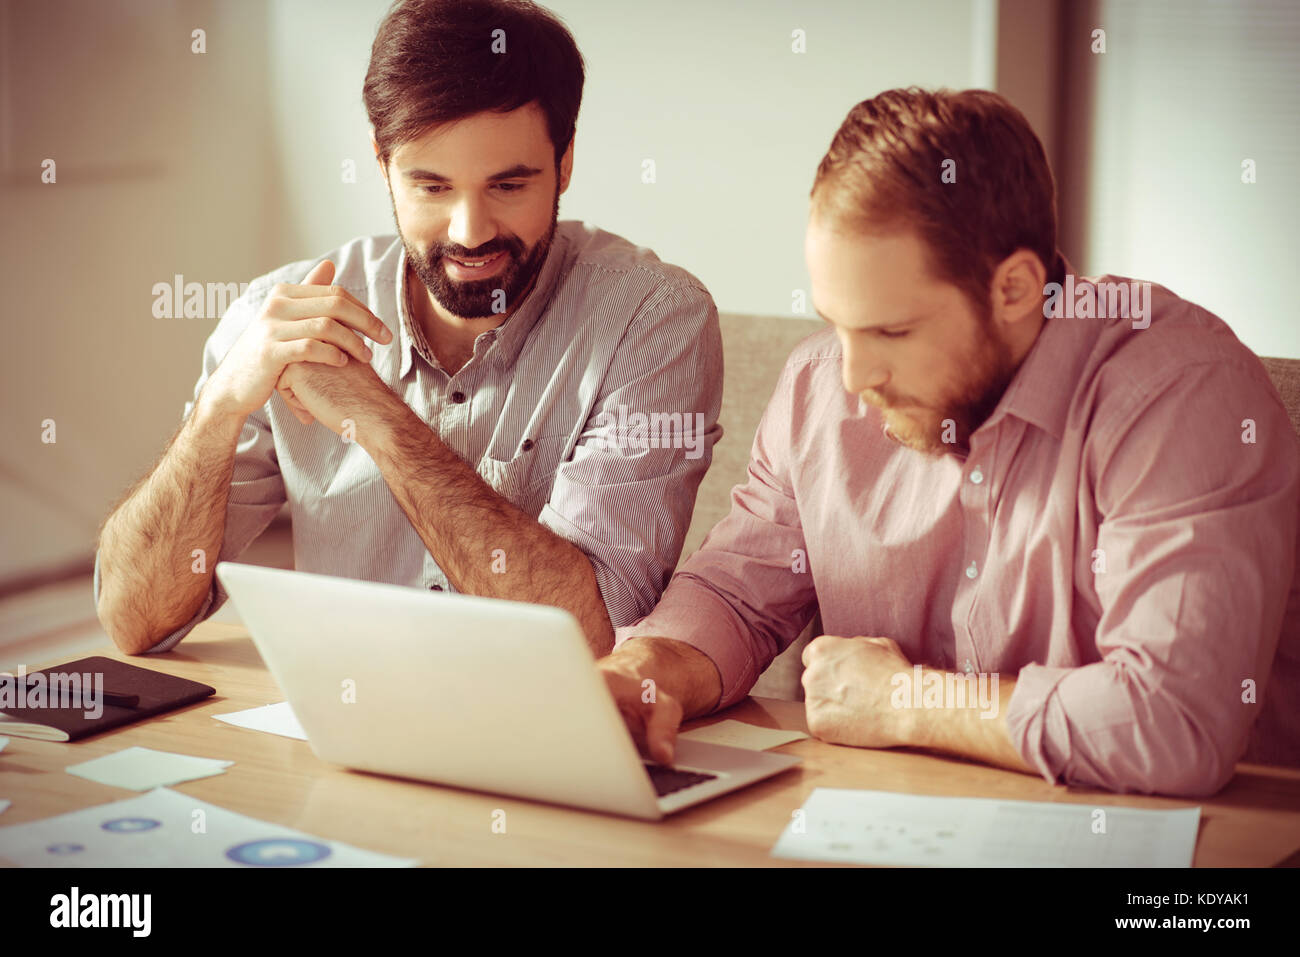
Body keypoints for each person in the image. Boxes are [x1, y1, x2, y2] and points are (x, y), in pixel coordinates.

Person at [599, 87, 1300, 797]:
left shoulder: (1181, 398)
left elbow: (1173, 723)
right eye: (837, 324)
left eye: (892, 332)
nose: (854, 375)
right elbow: (739, 596)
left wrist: (910, 700)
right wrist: (641, 674)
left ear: (1016, 289)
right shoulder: (822, 386)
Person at [95, 0, 721, 656]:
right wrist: (218, 410)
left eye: (508, 186)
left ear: (564, 162)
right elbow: (134, 620)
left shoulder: (653, 318)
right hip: (340, 729)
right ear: (382, 163)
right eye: (432, 187)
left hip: (545, 745)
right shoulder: (281, 316)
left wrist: (378, 420)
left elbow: (593, 634)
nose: (470, 230)